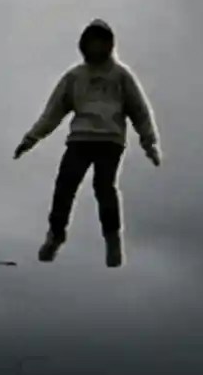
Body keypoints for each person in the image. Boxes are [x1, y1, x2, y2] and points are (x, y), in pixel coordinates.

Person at [14, 19, 160, 267]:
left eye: (100, 43)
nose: (95, 48)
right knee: (65, 184)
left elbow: (139, 110)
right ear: (83, 46)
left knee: (104, 187)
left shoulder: (121, 76)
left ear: (109, 45)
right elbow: (53, 112)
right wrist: (31, 138)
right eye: (91, 43)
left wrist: (150, 144)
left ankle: (112, 240)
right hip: (80, 139)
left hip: (110, 139)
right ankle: (55, 235)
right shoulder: (74, 77)